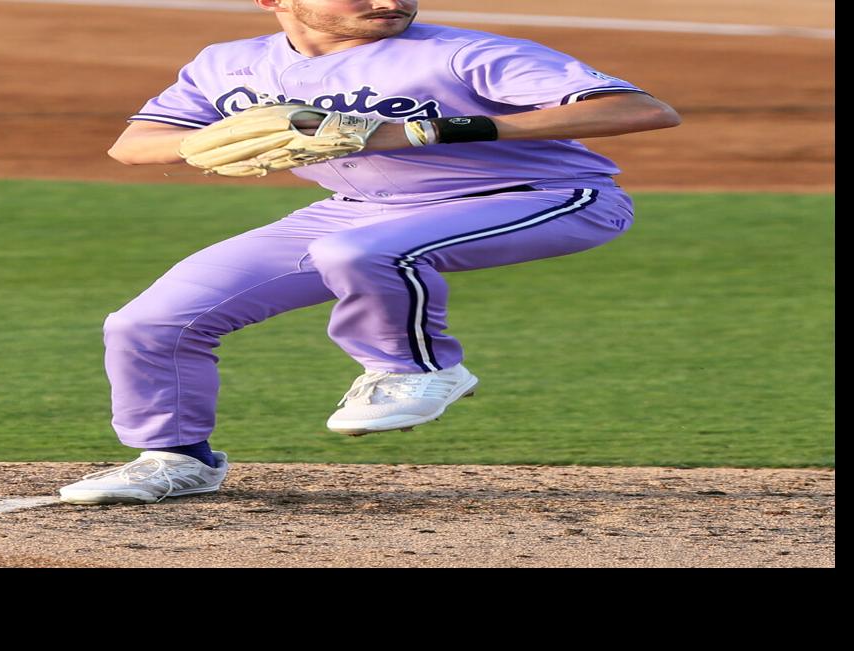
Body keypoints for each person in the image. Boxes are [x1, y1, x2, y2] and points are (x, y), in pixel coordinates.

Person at [58, 0, 681, 505]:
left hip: (546, 196)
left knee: (357, 252)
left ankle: (418, 369)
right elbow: (135, 144)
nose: (390, 1)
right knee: (149, 323)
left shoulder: (464, 53)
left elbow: (642, 110)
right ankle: (176, 458)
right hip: (356, 210)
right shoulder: (228, 64)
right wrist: (223, 138)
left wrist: (423, 129)